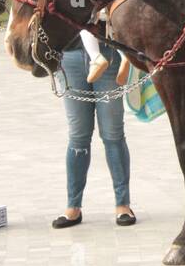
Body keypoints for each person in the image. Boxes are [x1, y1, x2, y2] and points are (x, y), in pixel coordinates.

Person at [53, 37, 136, 228]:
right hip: (69, 56)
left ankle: (123, 204)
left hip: (109, 55)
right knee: (78, 136)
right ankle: (73, 206)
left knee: (112, 134)